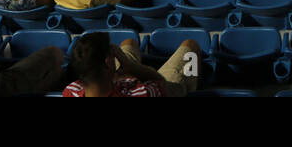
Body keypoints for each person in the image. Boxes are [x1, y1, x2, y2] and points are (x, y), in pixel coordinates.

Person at [64, 32, 202, 97]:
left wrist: (115, 74)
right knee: (191, 46)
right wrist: (132, 67)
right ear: (107, 62)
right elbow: (159, 81)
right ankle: (191, 85)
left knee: (129, 42)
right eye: (111, 51)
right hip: (166, 87)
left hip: (116, 79)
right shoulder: (141, 93)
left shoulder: (71, 91)